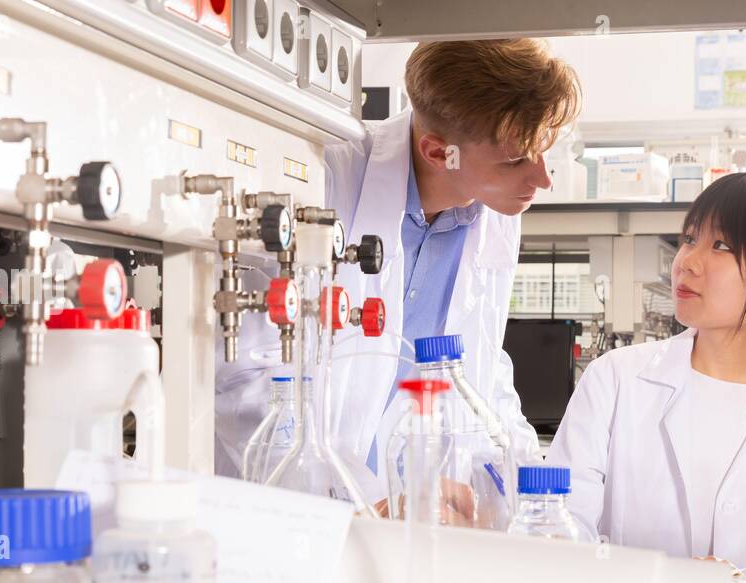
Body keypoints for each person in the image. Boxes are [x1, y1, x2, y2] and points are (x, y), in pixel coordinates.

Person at [214, 39, 582, 503]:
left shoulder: (493, 214)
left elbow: (483, 374)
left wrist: (529, 497)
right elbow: (244, 378)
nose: (543, 179)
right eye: (516, 161)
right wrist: (352, 504)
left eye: (543, 152)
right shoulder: (320, 181)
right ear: (436, 152)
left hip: (415, 516)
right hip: (301, 507)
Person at [548, 173, 746, 576]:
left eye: (722, 245)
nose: (687, 262)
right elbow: (558, 530)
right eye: (690, 239)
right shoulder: (614, 381)